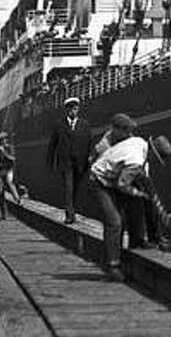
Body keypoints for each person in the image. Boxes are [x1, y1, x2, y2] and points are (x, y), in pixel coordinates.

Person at [87, 113, 150, 279]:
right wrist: (136, 192)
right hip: (100, 180)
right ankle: (112, 266)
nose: (130, 133)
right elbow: (121, 181)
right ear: (115, 129)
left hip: (114, 177)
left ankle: (134, 244)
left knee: (125, 214)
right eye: (126, 130)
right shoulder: (106, 142)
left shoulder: (136, 143)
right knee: (114, 221)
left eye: (130, 130)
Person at [47, 96, 92, 224]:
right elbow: (52, 145)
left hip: (80, 163)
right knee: (68, 188)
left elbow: (89, 142)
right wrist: (50, 163)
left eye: (76, 109)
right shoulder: (59, 125)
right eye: (71, 109)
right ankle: (69, 215)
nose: (74, 111)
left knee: (76, 189)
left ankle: (73, 211)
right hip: (65, 162)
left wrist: (89, 158)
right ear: (67, 110)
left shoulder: (84, 125)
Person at [0, 133, 22, 216]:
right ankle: (3, 211)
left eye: (5, 139)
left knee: (9, 183)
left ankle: (18, 200)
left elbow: (12, 158)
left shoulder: (9, 147)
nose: (4, 141)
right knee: (0, 189)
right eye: (2, 139)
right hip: (0, 169)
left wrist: (4, 152)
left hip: (9, 168)